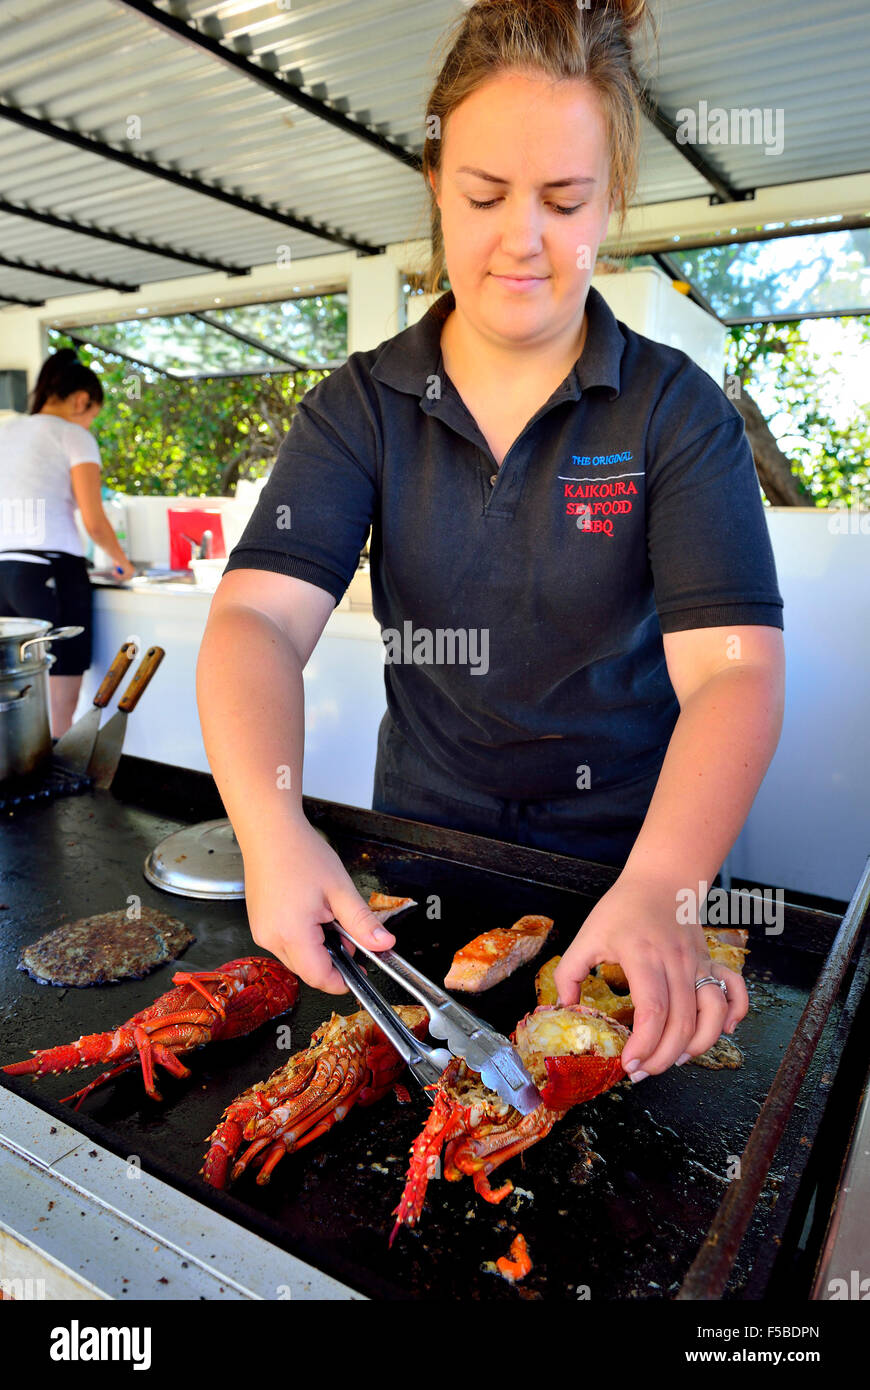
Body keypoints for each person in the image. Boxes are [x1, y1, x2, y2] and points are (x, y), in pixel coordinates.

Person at [197, 0, 784, 1084]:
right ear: (434, 185)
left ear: (613, 201)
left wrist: (665, 883)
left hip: (632, 853)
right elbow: (254, 620)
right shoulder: (363, 404)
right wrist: (271, 830)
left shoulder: (674, 410)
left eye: (566, 201)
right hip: (424, 850)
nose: (523, 238)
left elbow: (732, 673)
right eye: (484, 195)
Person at [0, 347, 135, 736]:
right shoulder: (73, 435)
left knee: (11, 690)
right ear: (81, 400)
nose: (90, 424)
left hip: (4, 574)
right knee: (61, 695)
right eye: (93, 414)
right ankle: (56, 784)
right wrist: (122, 561)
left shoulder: (7, 430)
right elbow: (93, 520)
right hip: (50, 571)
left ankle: (17, 774)